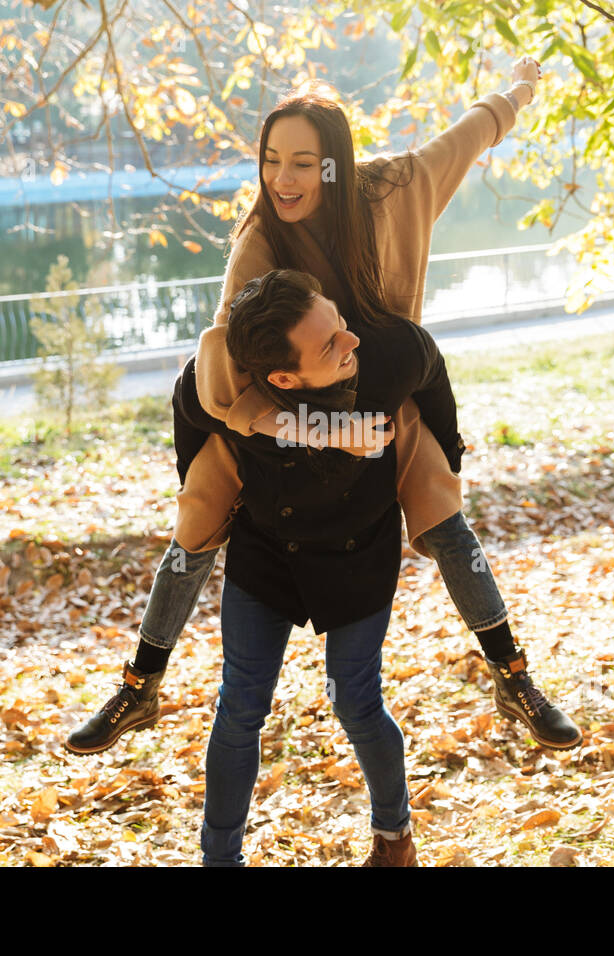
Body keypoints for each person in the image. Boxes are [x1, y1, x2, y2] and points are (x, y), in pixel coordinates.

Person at [66, 57, 582, 759]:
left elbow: (471, 133)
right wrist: (304, 424)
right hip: (274, 411)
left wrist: (522, 88)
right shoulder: (260, 243)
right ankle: (140, 684)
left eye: (304, 163)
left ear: (333, 165)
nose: (283, 178)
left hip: (375, 392)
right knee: (197, 519)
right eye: (273, 160)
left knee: (444, 510)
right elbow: (219, 363)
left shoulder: (395, 191)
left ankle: (512, 676)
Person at [179, 268, 463, 866]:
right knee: (240, 708)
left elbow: (431, 373)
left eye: (340, 324)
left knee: (357, 702)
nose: (350, 342)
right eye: (330, 344)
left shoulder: (383, 351)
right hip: (267, 557)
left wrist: (449, 452)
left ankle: (395, 839)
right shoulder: (237, 396)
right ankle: (218, 859)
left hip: (358, 553)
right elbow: (190, 409)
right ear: (282, 377)